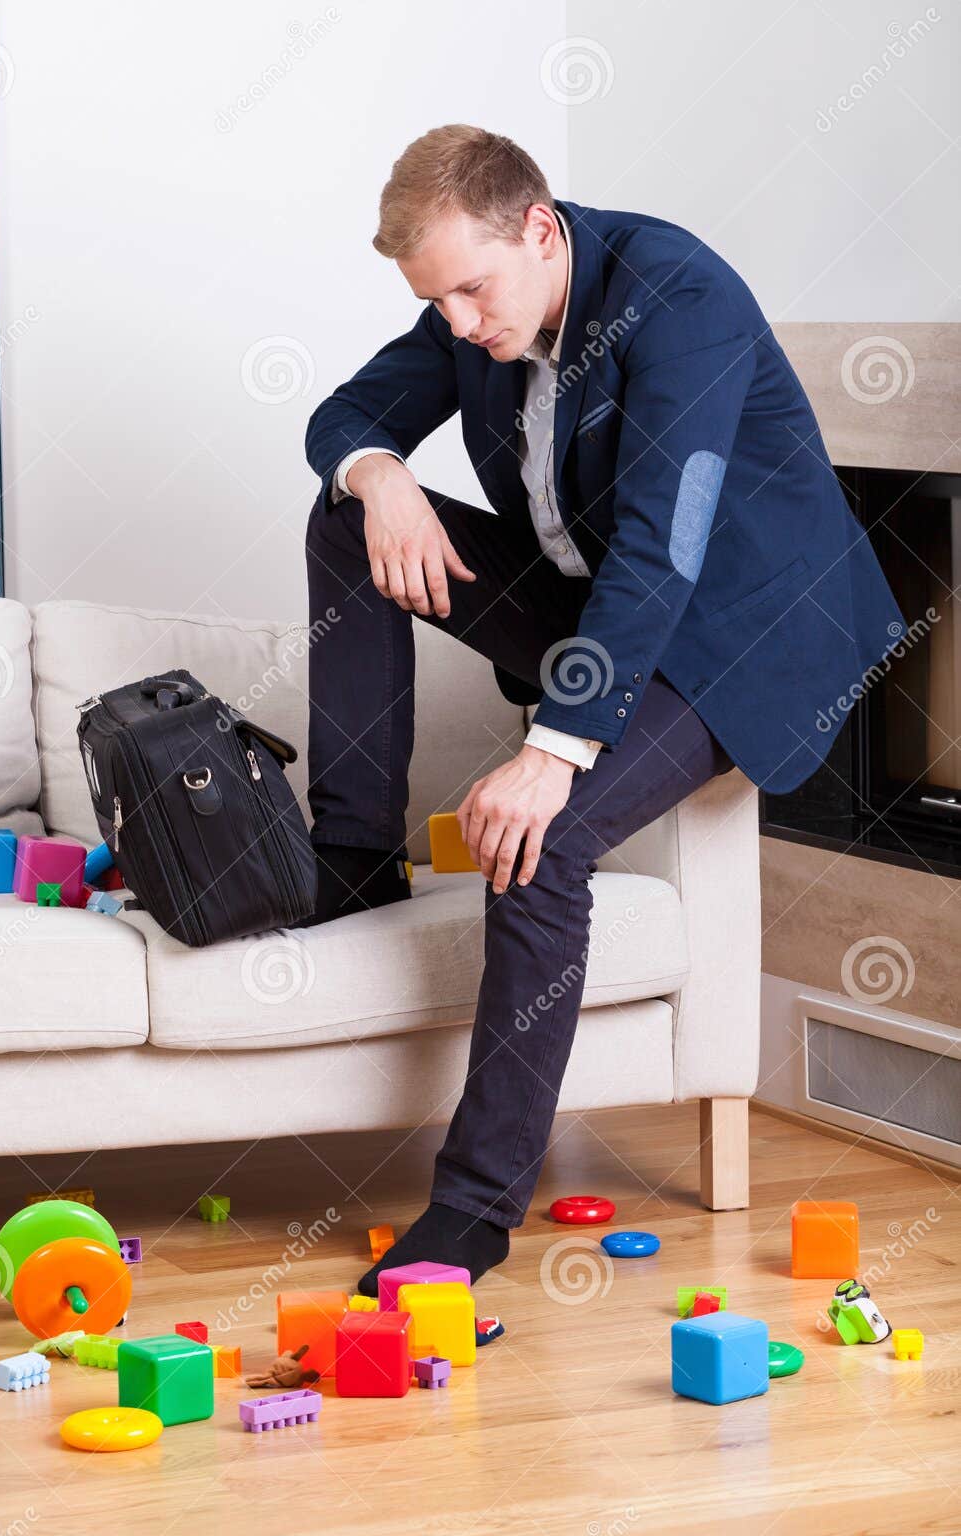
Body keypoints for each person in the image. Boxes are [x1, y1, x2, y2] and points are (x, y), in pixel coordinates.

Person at [297, 125, 905, 1294]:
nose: (457, 325)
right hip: (601, 607)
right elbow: (341, 417)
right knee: (342, 520)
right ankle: (353, 860)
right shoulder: (477, 307)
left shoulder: (677, 298)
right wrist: (380, 477)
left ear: (538, 228)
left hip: (739, 634)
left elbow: (661, 546)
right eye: (435, 303)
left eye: (470, 292)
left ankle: (472, 1210)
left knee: (545, 835)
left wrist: (554, 746)